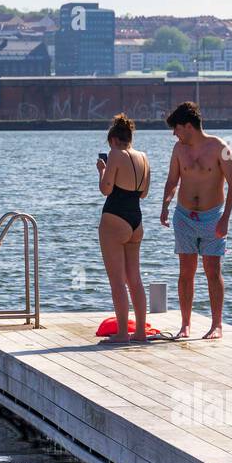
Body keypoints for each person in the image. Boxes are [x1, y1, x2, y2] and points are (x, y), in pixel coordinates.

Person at [159, 101, 232, 339]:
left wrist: (225, 218)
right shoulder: (178, 150)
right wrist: (165, 204)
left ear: (188, 126)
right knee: (186, 270)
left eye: (177, 129)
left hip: (212, 216)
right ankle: (185, 324)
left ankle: (217, 325)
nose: (174, 134)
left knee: (212, 270)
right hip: (184, 216)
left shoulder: (220, 147)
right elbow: (173, 180)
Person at [97, 113, 151, 343]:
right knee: (134, 279)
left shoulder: (115, 155)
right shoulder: (144, 157)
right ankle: (139, 332)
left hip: (114, 218)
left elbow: (106, 189)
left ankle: (121, 334)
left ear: (113, 140)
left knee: (117, 281)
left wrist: (102, 169)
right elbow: (144, 193)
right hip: (136, 220)